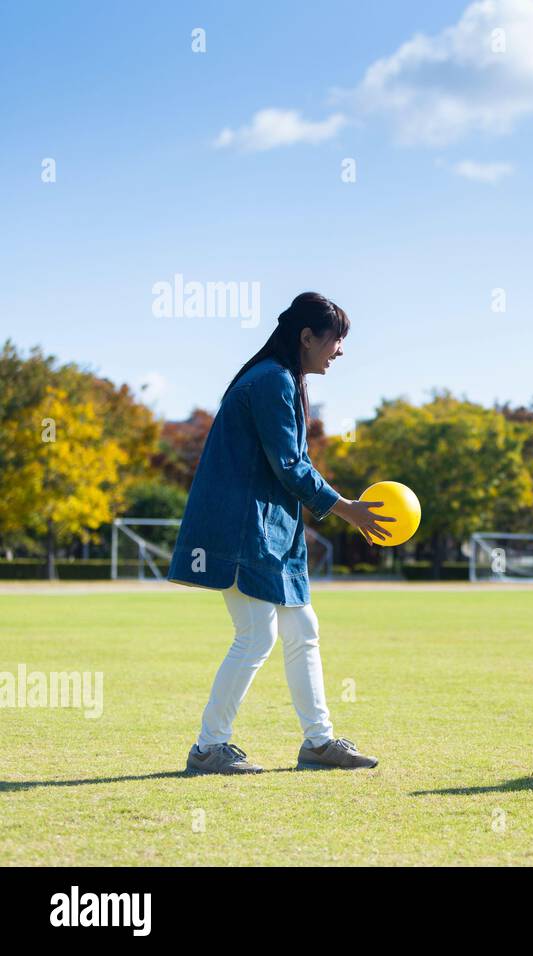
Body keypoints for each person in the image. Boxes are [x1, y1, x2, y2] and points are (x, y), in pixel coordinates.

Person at [169, 292, 392, 774]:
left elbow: (291, 467)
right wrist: (348, 509)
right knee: (255, 635)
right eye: (336, 340)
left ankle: (319, 742)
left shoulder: (280, 378)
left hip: (270, 530)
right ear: (307, 337)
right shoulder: (271, 380)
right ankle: (209, 748)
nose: (340, 351)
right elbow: (290, 465)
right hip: (242, 528)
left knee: (302, 629)